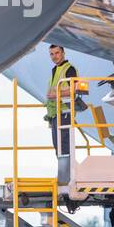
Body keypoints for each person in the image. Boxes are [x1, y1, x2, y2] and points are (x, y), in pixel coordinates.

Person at [45, 44, 84, 183]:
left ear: (63, 53)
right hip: (56, 113)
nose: (54, 56)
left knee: (64, 145)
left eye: (57, 53)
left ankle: (67, 176)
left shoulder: (69, 69)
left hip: (65, 112)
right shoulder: (55, 69)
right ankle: (65, 175)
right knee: (58, 146)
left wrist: (55, 94)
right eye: (52, 54)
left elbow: (74, 90)